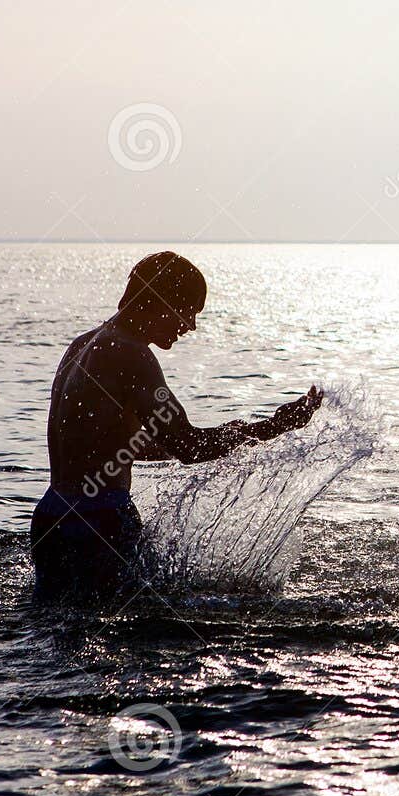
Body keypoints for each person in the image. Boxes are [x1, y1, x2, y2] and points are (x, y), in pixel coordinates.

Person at [33, 252, 322, 601]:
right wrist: (276, 426)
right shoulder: (131, 354)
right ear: (162, 302)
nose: (191, 326)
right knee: (122, 640)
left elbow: (112, 446)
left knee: (61, 634)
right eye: (190, 311)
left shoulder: (83, 344)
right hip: (100, 521)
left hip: (52, 518)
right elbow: (188, 446)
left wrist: (236, 440)